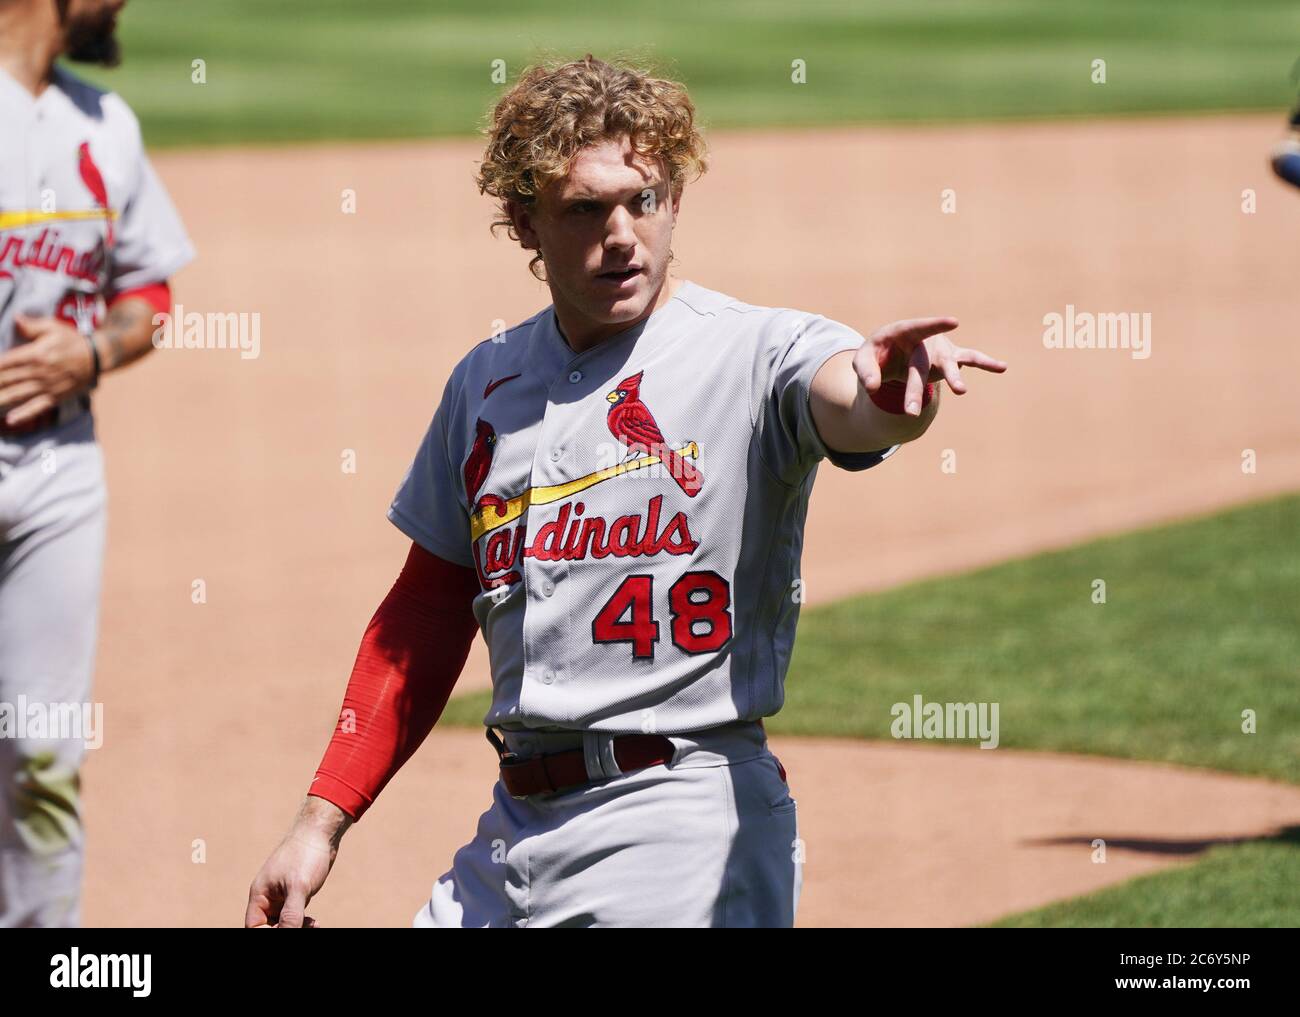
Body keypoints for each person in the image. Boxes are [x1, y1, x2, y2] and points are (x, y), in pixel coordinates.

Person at [245, 54, 1005, 928]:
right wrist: (319, 823)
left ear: (674, 200)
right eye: (585, 209)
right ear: (525, 222)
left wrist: (889, 394)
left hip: (680, 821)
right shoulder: (485, 383)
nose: (621, 233)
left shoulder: (751, 350)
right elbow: (423, 612)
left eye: (641, 200)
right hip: (513, 831)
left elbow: (846, 400)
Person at [0, 0, 194, 926]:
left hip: (57, 473)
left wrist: (93, 353)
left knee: (42, 754)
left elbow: (148, 292)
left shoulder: (104, 124)